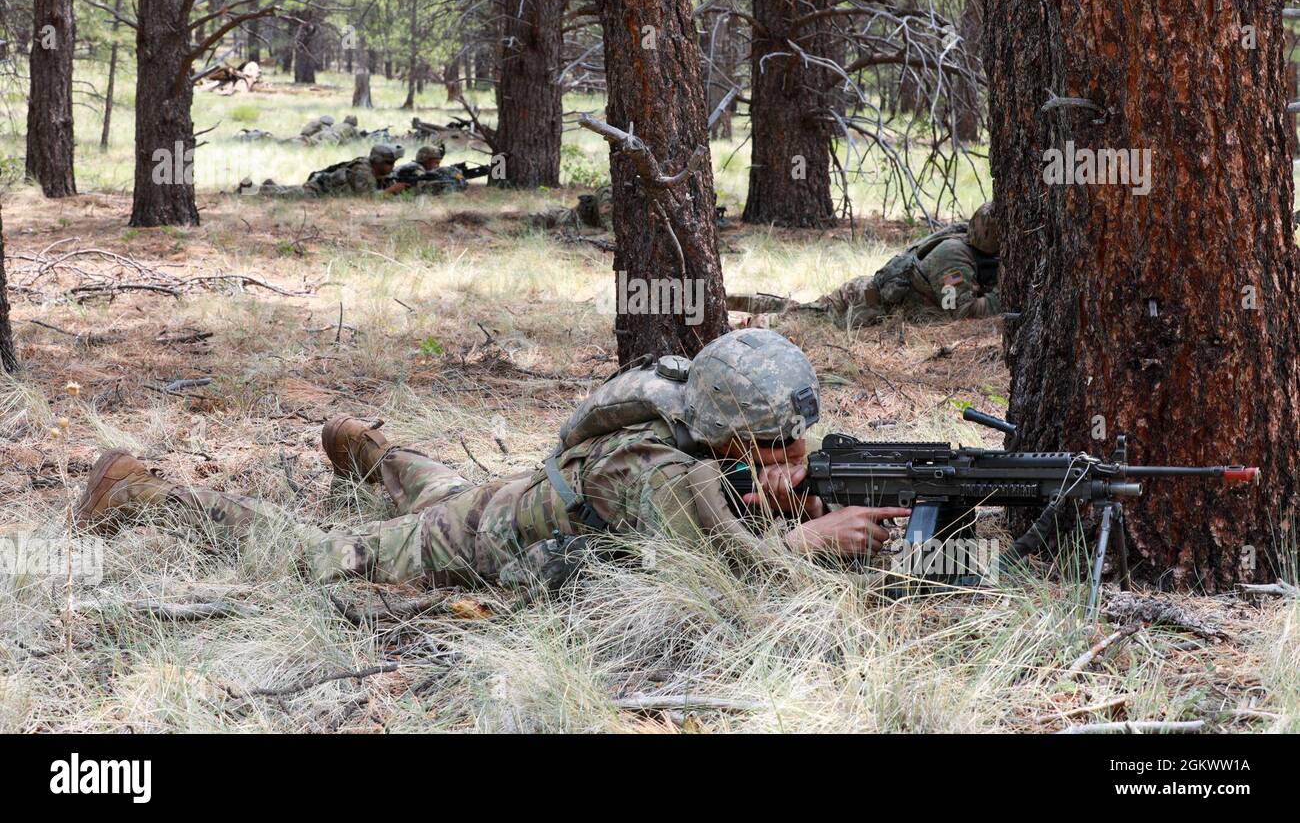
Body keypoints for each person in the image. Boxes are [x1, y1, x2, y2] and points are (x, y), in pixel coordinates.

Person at [75, 330, 909, 591]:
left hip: (514, 495)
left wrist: (772, 491)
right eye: (773, 446)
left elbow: (719, 497)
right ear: (728, 432)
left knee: (448, 486)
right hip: (482, 540)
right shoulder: (646, 469)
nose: (794, 457)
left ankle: (368, 452)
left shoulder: (696, 429)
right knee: (321, 556)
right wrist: (808, 534)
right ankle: (143, 496)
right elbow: (721, 564)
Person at [729, 202, 1001, 329]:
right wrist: (1000, 297)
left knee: (800, 310)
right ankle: (727, 322)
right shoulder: (954, 256)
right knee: (792, 323)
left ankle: (728, 302)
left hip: (866, 295)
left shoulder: (965, 242)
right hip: (862, 304)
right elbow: (961, 312)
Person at [382, 143, 477, 197]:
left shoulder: (414, 166)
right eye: (435, 162)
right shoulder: (416, 168)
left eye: (439, 163)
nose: (438, 166)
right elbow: (425, 186)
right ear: (425, 159)